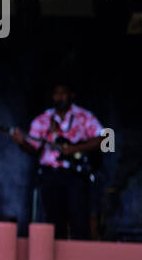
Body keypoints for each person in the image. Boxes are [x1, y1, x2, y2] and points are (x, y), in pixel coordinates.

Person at [8, 82, 104, 240]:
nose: (60, 97)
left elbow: (103, 137)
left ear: (71, 95)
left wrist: (73, 149)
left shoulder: (84, 116)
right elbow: (34, 149)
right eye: (56, 94)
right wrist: (21, 142)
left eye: (63, 93)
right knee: (53, 222)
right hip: (51, 174)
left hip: (76, 174)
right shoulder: (44, 119)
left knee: (79, 220)